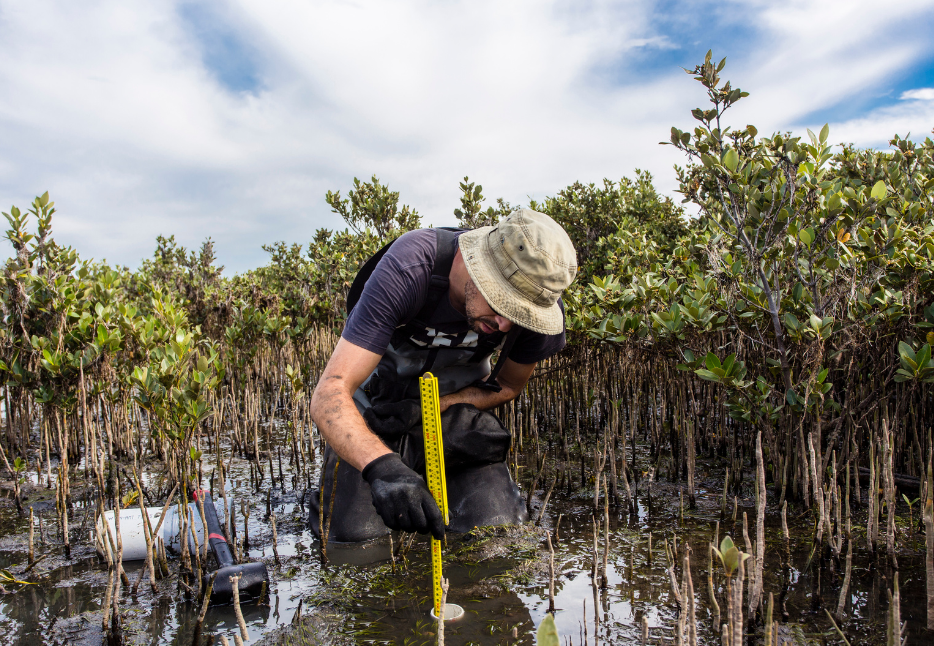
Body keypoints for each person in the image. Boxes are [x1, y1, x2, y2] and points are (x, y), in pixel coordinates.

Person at [308, 208, 577, 542]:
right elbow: (329, 393)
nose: (506, 325)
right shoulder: (411, 267)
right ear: (470, 261)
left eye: (518, 313)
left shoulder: (538, 304)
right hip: (374, 414)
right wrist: (382, 468)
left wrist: (433, 406)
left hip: (451, 416)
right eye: (501, 302)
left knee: (496, 533)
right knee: (357, 541)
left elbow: (507, 385)